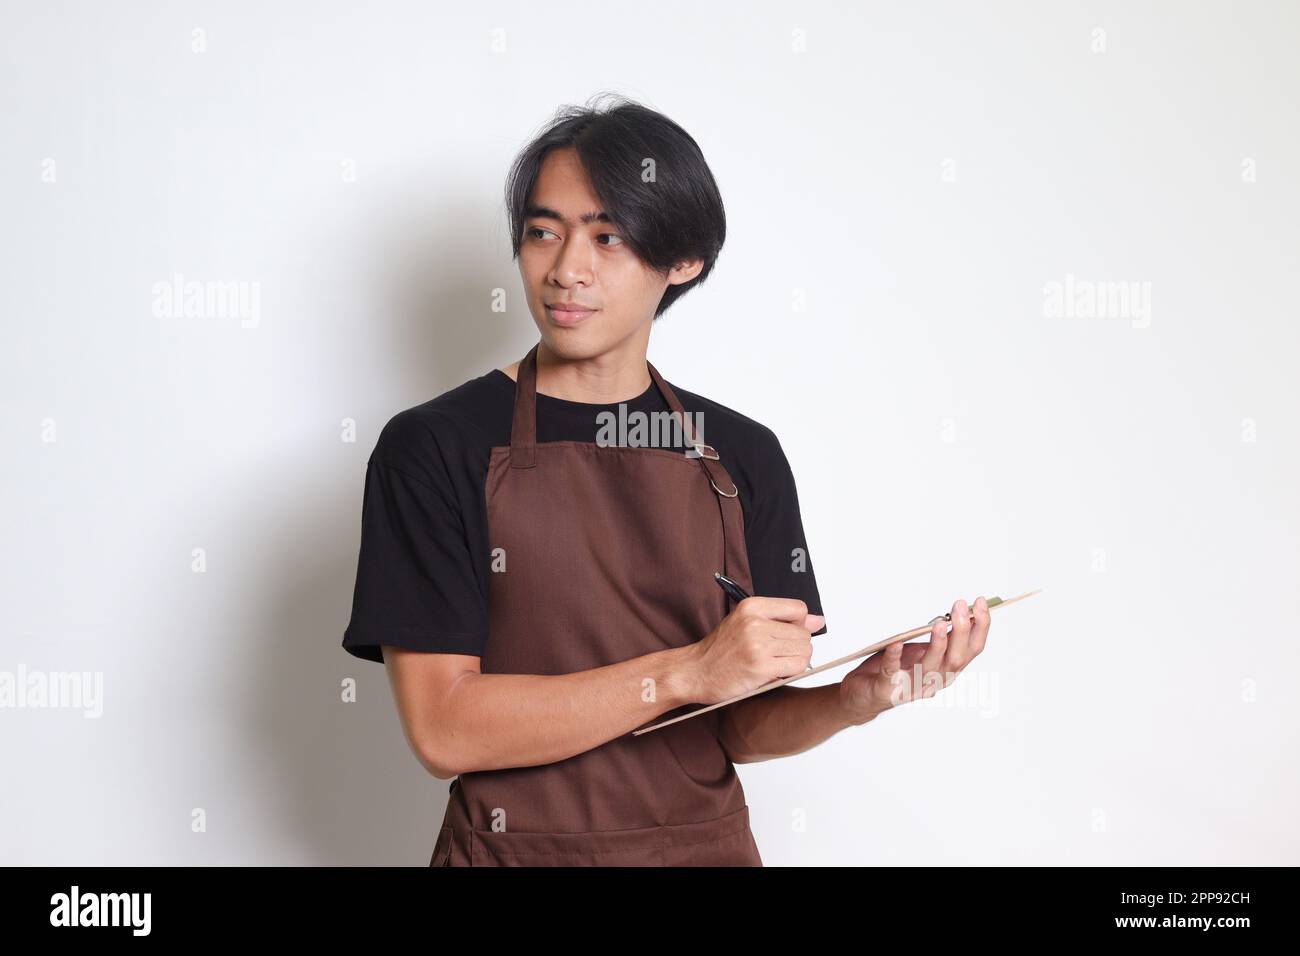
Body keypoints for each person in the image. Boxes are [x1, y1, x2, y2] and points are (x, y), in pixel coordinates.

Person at [341, 94, 992, 866]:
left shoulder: (742, 454)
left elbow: (736, 726)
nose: (566, 270)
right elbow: (445, 729)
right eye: (543, 232)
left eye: (607, 237)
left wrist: (860, 698)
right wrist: (688, 668)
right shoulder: (434, 447)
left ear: (683, 261)